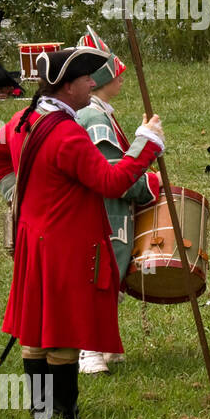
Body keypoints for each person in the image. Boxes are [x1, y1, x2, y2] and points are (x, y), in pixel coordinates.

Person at [0, 47, 164, 419]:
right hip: (66, 243)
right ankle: (63, 414)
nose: (91, 85)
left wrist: (18, 194)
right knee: (62, 331)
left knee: (34, 327)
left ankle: (41, 411)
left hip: (34, 239)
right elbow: (111, 182)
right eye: (85, 80)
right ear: (67, 87)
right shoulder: (66, 135)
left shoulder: (22, 118)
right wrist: (146, 142)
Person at [72, 30, 162, 373]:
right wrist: (150, 183)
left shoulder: (99, 112)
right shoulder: (94, 117)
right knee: (101, 276)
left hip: (108, 213)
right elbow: (114, 179)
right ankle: (88, 350)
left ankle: (105, 344)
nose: (121, 76)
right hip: (105, 213)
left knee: (110, 277)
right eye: (114, 72)